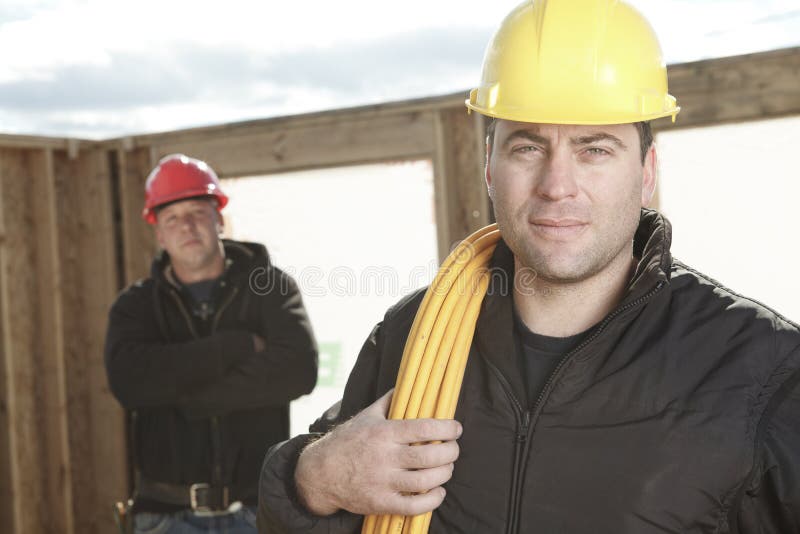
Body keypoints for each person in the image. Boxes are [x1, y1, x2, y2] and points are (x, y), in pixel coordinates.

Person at [257, 1, 800, 532]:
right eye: (527, 148)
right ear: (490, 167)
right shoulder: (412, 335)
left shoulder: (761, 368)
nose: (556, 185)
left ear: (647, 171)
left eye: (594, 149)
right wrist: (312, 480)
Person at [104, 153, 318, 533]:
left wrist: (190, 399)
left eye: (197, 212)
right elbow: (131, 383)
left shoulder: (269, 288)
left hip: (258, 511)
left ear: (218, 218)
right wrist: (235, 347)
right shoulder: (135, 307)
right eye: (172, 218)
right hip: (166, 517)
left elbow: (297, 370)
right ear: (158, 233)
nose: (186, 226)